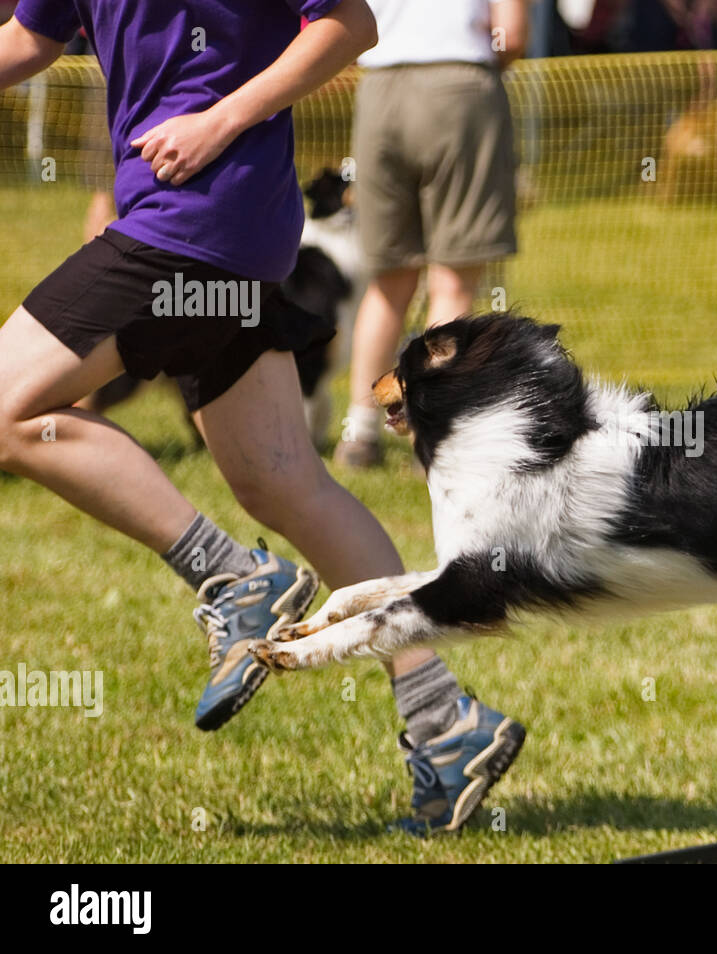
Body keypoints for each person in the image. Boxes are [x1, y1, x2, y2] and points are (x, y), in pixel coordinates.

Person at [0, 0, 524, 836]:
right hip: (191, 222)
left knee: (4, 409)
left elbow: (349, 24)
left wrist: (220, 120)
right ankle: (445, 719)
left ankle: (232, 577)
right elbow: (33, 36)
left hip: (203, 220)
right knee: (282, 482)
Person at [334, 0, 530, 469]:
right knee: (453, 282)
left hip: (380, 90)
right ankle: (433, 433)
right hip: (460, 85)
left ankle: (361, 431)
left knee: (388, 282)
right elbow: (513, 34)